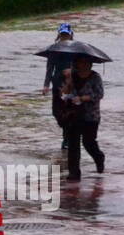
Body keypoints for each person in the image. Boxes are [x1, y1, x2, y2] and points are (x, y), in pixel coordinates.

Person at [61, 56, 105, 182]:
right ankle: (74, 173)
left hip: (90, 116)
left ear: (90, 64)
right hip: (73, 114)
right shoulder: (72, 75)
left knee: (88, 142)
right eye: (80, 62)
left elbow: (100, 94)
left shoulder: (95, 77)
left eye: (85, 62)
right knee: (73, 144)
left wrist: (83, 98)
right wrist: (68, 83)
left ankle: (99, 157)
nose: (83, 64)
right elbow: (64, 91)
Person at [42, 23, 75, 151]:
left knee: (68, 112)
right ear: (59, 35)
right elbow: (50, 68)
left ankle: (67, 139)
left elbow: (82, 67)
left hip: (72, 85)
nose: (64, 37)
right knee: (56, 112)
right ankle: (67, 132)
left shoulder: (76, 49)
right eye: (62, 35)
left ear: (71, 35)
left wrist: (72, 71)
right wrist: (46, 85)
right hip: (57, 85)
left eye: (66, 34)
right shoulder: (54, 49)